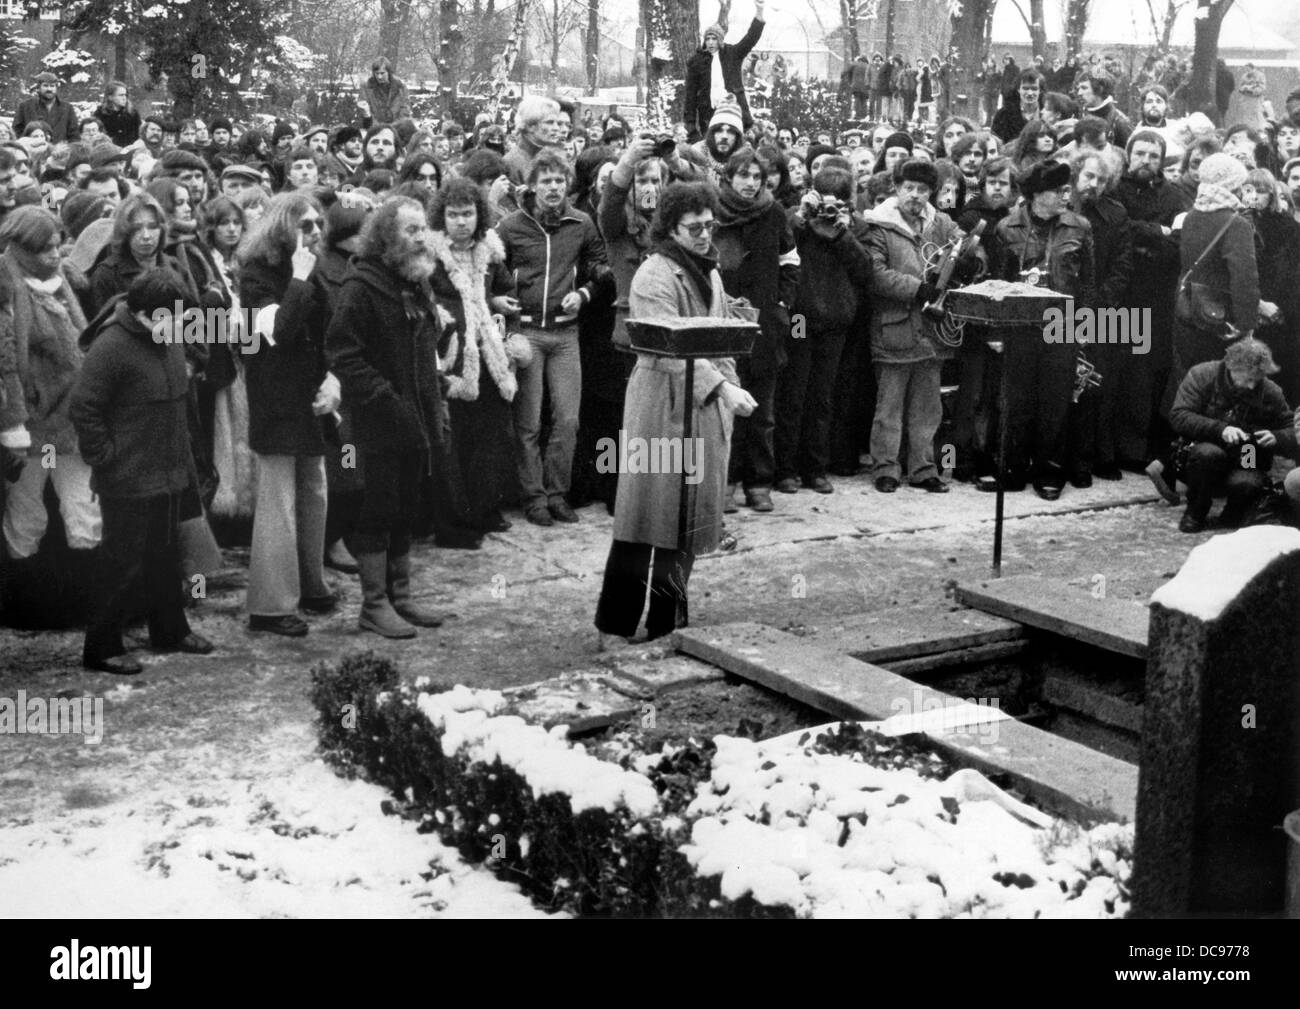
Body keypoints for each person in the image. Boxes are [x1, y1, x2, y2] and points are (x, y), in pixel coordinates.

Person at [592, 181, 756, 648]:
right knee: (643, 522)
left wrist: (731, 385)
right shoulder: (654, 275)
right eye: (695, 227)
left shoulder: (712, 272)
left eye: (710, 225)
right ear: (671, 227)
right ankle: (615, 625)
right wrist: (722, 388)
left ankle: (666, 622)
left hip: (702, 409)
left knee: (686, 523)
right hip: (660, 407)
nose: (706, 235)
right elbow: (666, 347)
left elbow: (720, 338)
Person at [70, 269, 214, 674]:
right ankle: (101, 647)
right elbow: (84, 407)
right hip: (128, 478)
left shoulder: (168, 337)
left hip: (169, 472)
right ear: (145, 314)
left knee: (164, 556)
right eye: (171, 319)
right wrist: (107, 457)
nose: (179, 327)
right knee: (120, 564)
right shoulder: (112, 345)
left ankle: (170, 630)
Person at [327, 196, 453, 638]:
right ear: (385, 238)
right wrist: (385, 397)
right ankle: (373, 605)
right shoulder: (360, 287)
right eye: (411, 230)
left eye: (424, 229)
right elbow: (343, 354)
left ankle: (400, 598)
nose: (422, 238)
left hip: (418, 418)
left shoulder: (416, 280)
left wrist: (435, 393)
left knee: (406, 508)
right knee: (376, 511)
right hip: (376, 422)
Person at [239, 192, 338, 638]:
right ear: (283, 228)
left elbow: (330, 332)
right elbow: (277, 332)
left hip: (312, 397)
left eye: (318, 224)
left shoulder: (312, 269)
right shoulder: (257, 276)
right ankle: (271, 605)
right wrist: (299, 279)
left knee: (313, 492)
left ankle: (310, 584)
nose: (316, 232)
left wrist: (334, 381)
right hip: (276, 401)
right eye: (306, 225)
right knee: (278, 502)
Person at [496, 148, 611, 526]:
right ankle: (533, 497)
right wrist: (497, 297)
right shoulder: (512, 226)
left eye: (559, 181)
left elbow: (600, 267)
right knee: (528, 423)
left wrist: (584, 294)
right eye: (545, 180)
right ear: (532, 185)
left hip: (564, 334)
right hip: (526, 331)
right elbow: (491, 265)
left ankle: (557, 493)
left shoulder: (581, 223)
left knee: (567, 419)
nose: (553, 187)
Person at [429, 178, 528, 533]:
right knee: (455, 437)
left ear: (478, 215)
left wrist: (501, 310)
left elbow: (507, 293)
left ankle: (486, 507)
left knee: (490, 435)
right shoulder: (431, 255)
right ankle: (457, 515)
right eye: (453, 214)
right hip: (451, 352)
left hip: (488, 352)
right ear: (442, 217)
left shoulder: (489, 249)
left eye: (468, 213)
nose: (461, 221)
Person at [994, 159, 1096, 500]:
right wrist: (996, 332)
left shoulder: (1079, 227)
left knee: (1056, 401)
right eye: (1058, 190)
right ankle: (1012, 467)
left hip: (1062, 327)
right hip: (1019, 327)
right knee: (1017, 399)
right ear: (1037, 194)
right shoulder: (1007, 228)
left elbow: (1088, 285)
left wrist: (1085, 326)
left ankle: (1049, 472)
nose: (1066, 195)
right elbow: (994, 284)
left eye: (1067, 189)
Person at [863, 158, 964, 494]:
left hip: (932, 332)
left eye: (923, 190)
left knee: (927, 406)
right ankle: (886, 468)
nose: (915, 195)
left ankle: (923, 467)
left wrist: (970, 261)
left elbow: (963, 250)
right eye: (909, 188)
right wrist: (917, 289)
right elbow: (874, 274)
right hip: (893, 326)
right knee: (888, 406)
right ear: (896, 188)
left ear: (932, 192)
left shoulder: (943, 223)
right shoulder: (878, 226)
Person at [774, 166, 872, 496]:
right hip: (801, 316)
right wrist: (803, 217)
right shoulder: (798, 219)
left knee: (823, 397)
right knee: (794, 392)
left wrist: (843, 233)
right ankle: (786, 468)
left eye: (838, 203)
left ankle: (815, 468)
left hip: (836, 320)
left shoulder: (856, 227)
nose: (829, 211)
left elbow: (864, 271)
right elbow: (783, 245)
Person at [714, 148, 799, 513]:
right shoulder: (713, 211)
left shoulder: (773, 213)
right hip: (722, 323)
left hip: (765, 325)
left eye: (757, 177)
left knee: (762, 410)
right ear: (729, 177)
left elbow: (790, 261)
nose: (750, 184)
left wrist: (781, 306)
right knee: (726, 405)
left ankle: (759, 481)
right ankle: (726, 481)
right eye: (743, 176)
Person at [1169, 339, 1293, 533]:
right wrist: (1220, 429)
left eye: (1258, 379)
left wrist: (1277, 437)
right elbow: (1179, 415)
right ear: (1232, 367)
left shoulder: (1271, 391)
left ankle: (1234, 513)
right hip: (1206, 443)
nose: (1253, 386)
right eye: (1249, 379)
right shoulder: (1201, 375)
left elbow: (1291, 428)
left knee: (1248, 481)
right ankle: (1195, 511)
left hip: (1247, 451)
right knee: (1207, 455)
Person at [1067, 150, 1133, 485]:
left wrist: (1100, 305)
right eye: (1089, 176)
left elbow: (1123, 265)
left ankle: (1097, 455)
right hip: (1061, 309)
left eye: (1102, 179)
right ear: (1076, 174)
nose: (1094, 184)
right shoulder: (1062, 209)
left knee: (1100, 384)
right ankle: (1066, 457)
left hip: (1104, 310)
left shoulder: (1116, 214)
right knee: (1066, 382)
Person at [1168, 152, 1260, 390]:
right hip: (1222, 323)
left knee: (1193, 389)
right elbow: (1244, 279)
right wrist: (1246, 326)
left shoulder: (1190, 217)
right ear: (1232, 184)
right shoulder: (1236, 223)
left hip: (1189, 315)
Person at [682, 2, 766, 142]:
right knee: (713, 148)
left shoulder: (732, 54)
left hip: (734, 110)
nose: (710, 42)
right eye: (707, 39)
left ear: (720, 40)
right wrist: (690, 126)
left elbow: (750, 38)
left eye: (714, 39)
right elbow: (690, 95)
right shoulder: (696, 62)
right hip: (709, 114)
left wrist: (759, 12)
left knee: (734, 146)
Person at [14, 73, 74, 144]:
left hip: (59, 152)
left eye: (52, 86)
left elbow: (74, 134)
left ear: (56, 88)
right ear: (38, 88)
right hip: (33, 150)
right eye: (45, 85)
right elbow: (16, 132)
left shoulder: (67, 108)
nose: (49, 89)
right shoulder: (25, 107)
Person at [358, 57, 412, 127]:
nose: (379, 77)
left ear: (389, 72)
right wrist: (379, 128)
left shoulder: (401, 87)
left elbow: (405, 111)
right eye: (377, 73)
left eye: (382, 73)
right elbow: (365, 113)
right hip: (373, 129)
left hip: (397, 130)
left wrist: (392, 128)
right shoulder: (366, 87)